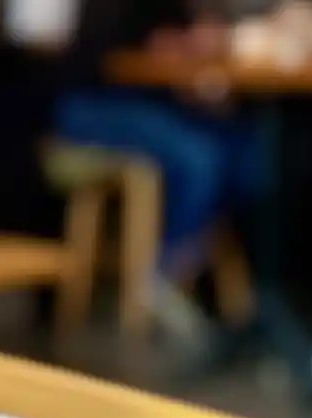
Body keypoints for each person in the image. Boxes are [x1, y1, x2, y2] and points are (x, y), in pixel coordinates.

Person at [55, 0, 269, 332]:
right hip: (93, 104)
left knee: (247, 153)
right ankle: (163, 274)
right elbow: (114, 49)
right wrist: (177, 45)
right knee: (201, 157)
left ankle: (198, 264)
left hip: (152, 101)